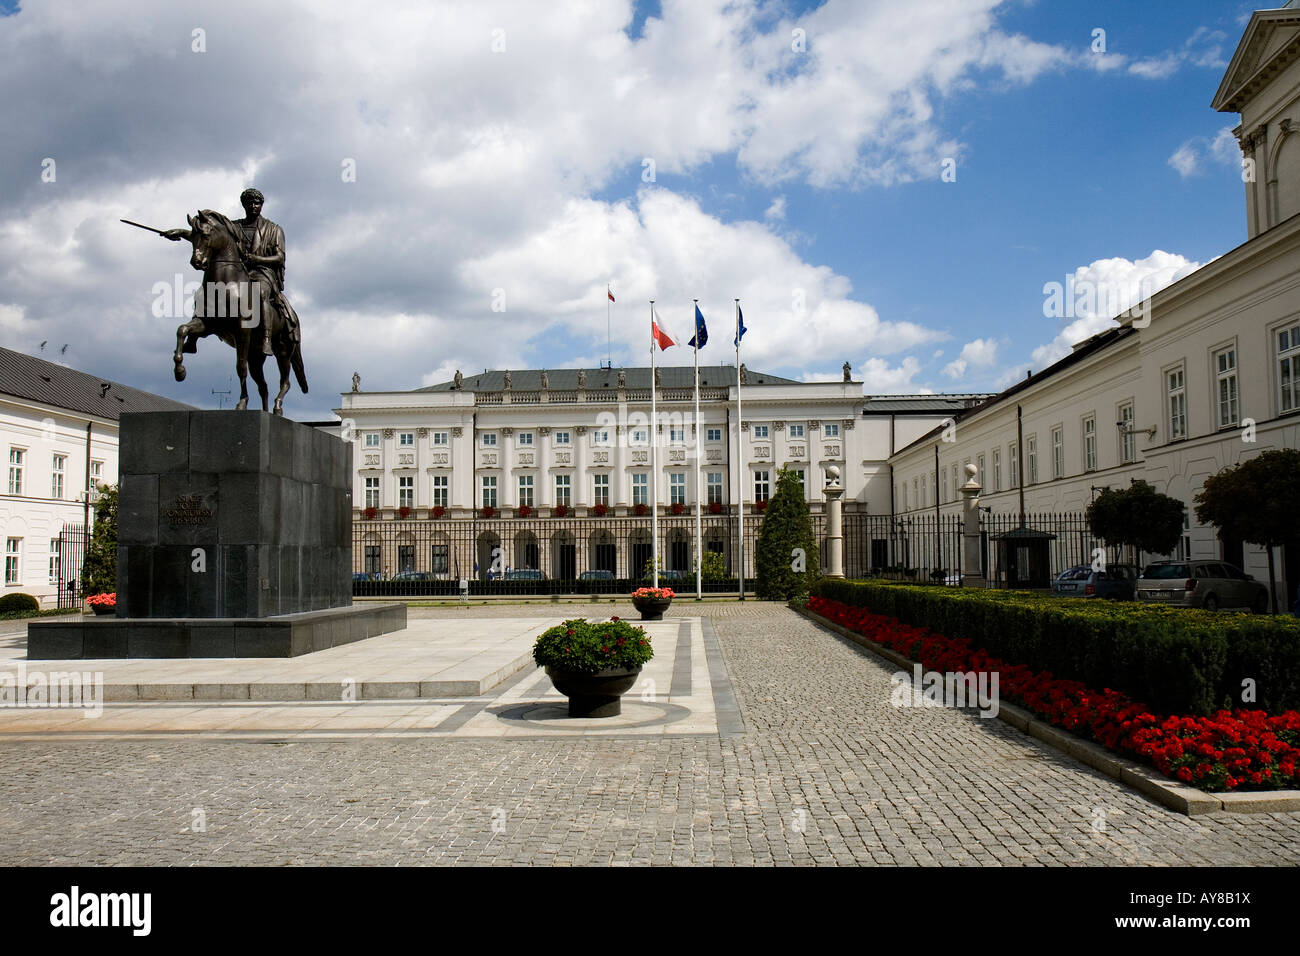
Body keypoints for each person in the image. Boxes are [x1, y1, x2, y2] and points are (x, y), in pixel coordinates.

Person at [164, 187, 296, 355]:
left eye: (257, 203)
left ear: (261, 205)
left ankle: (267, 339)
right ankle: (193, 338)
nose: (253, 206)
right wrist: (181, 232)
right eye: (249, 203)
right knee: (204, 292)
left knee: (261, 292)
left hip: (262, 272)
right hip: (238, 271)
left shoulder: (274, 229)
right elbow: (207, 236)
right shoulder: (234, 227)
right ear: (244, 205)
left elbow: (279, 257)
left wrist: (257, 259)